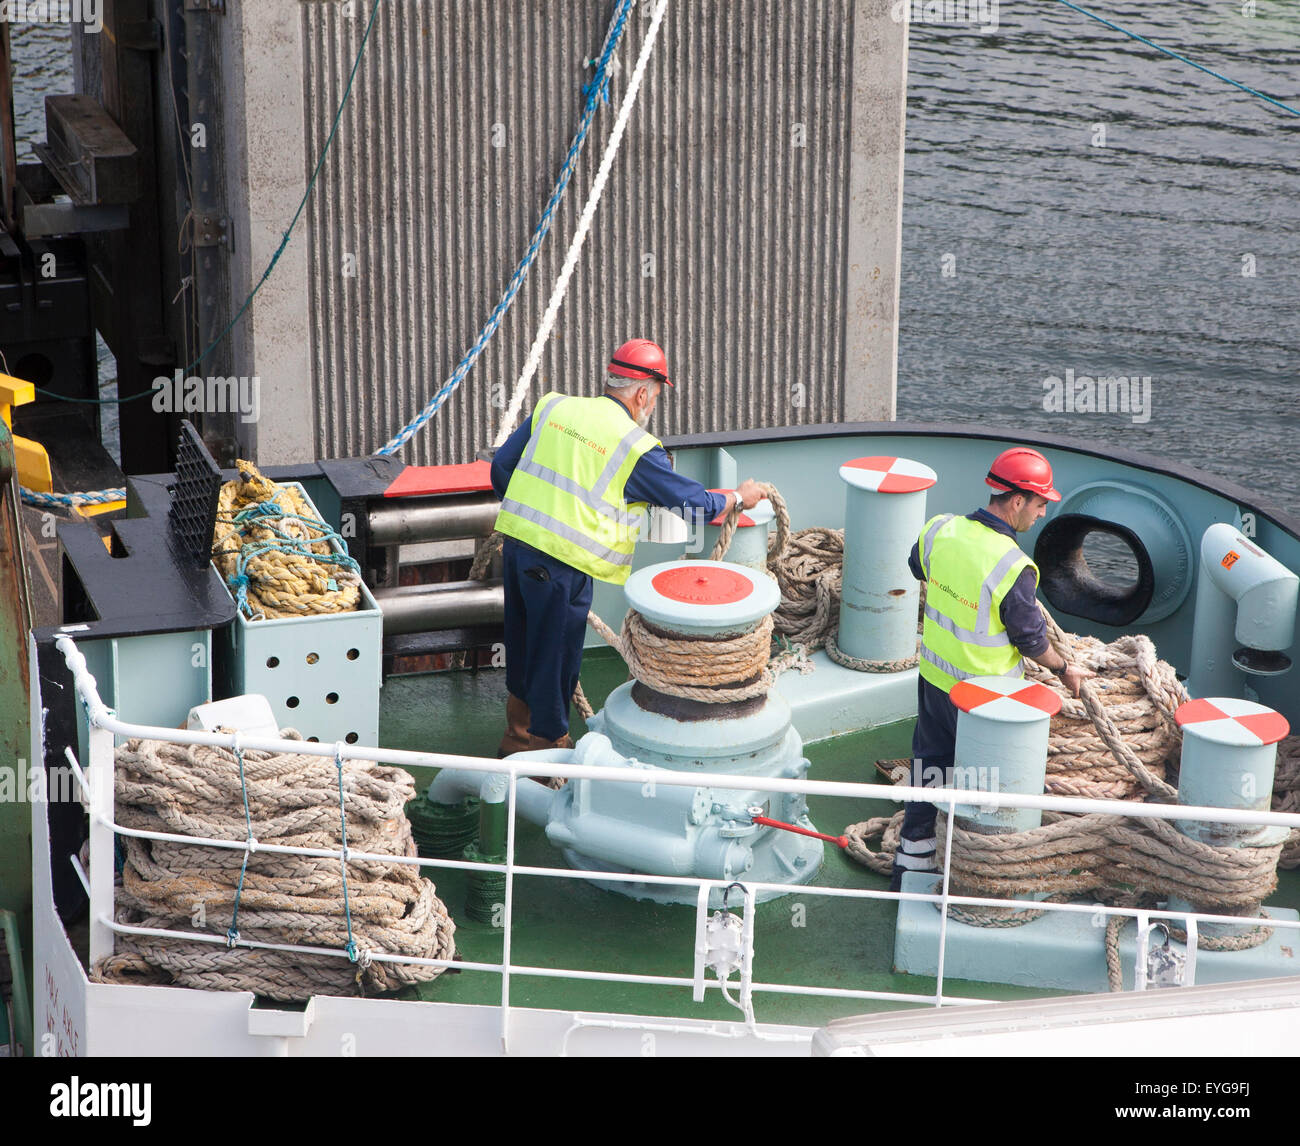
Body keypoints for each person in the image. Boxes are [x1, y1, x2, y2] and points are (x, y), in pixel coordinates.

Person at [490, 338, 764, 756]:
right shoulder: (634, 446)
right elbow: (690, 504)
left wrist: (535, 517)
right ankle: (547, 759)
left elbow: (502, 467)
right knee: (555, 661)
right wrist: (737, 499)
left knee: (523, 643)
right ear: (642, 393)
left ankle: (515, 739)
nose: (651, 404)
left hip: (517, 549)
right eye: (654, 396)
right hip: (562, 567)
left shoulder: (554, 407)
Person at [891, 446, 1095, 890]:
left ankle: (911, 859)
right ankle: (983, 873)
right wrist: (1065, 670)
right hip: (987, 699)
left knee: (930, 766)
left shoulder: (940, 529)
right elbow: (1031, 641)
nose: (1042, 514)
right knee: (991, 787)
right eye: (1041, 504)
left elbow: (916, 566)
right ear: (1017, 500)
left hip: (934, 681)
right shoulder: (1013, 565)